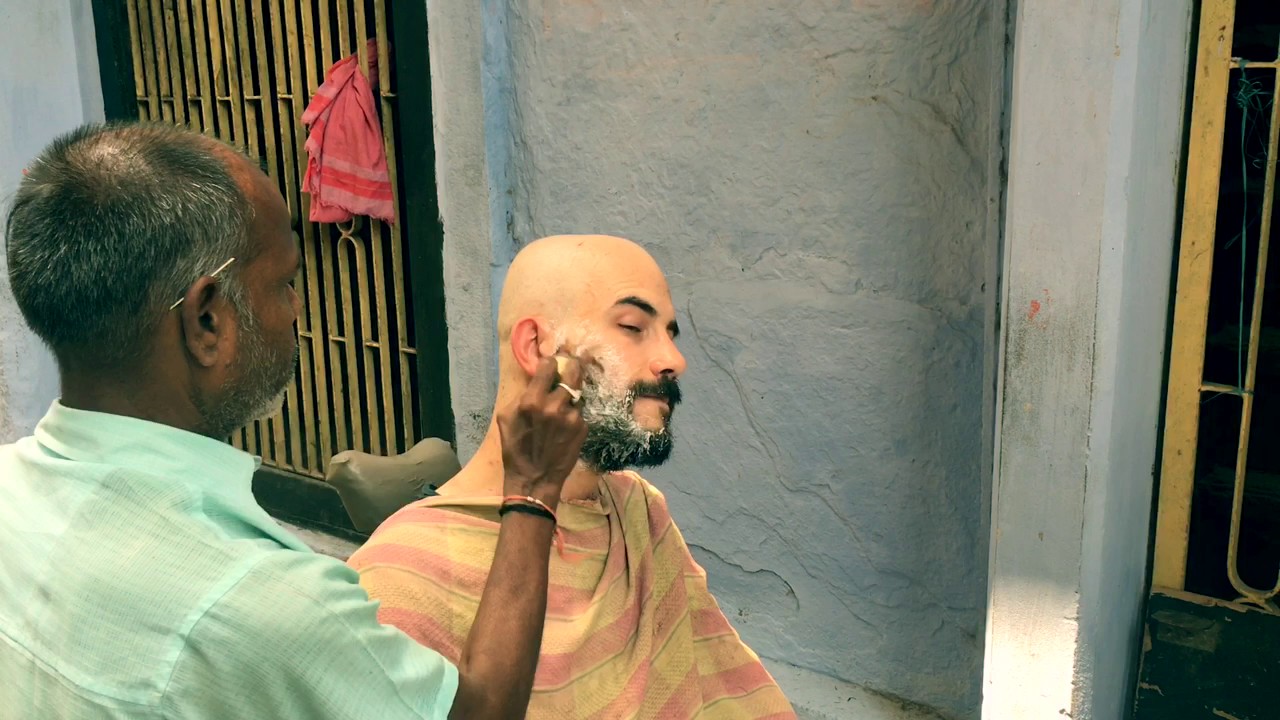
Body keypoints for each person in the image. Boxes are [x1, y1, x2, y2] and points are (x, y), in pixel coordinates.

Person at [0, 122, 590, 719]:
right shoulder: (268, 605)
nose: (296, 308)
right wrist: (533, 489)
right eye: (284, 284)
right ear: (207, 321)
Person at [348, 235, 797, 719]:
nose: (674, 360)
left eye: (670, 333)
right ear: (536, 347)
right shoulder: (398, 578)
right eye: (633, 327)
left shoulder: (635, 508)